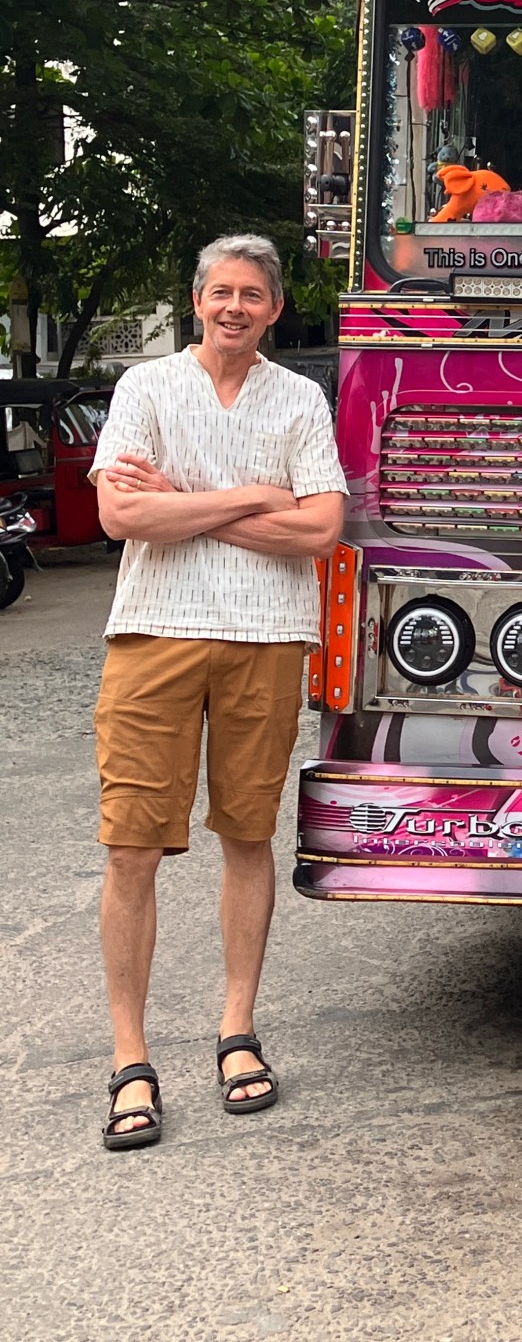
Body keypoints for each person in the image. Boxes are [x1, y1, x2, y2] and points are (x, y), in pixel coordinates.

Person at [89, 236, 346, 1150]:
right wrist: (253, 497)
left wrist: (188, 501)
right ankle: (131, 1059)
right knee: (131, 847)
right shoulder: (146, 388)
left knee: (247, 833)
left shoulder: (300, 398)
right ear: (197, 300)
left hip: (268, 637)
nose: (235, 306)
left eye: (253, 294)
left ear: (274, 308)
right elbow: (121, 514)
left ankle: (238, 1031)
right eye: (221, 291)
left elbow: (320, 530)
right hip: (152, 634)